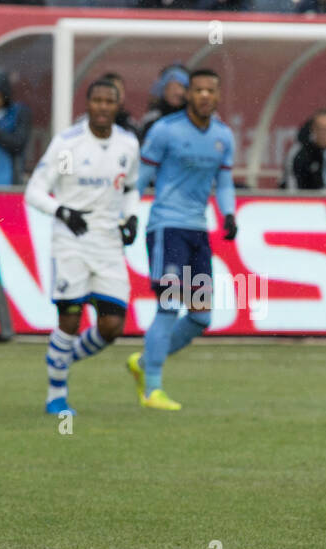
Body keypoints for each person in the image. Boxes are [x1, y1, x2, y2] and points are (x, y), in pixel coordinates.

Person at [25, 79, 140, 415]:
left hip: (108, 240)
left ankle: (61, 358)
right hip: (71, 239)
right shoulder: (69, 145)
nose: (103, 107)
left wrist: (131, 217)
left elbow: (131, 187)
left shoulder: (127, 145)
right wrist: (63, 211)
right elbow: (35, 191)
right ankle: (56, 395)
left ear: (118, 105)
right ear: (87, 105)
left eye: (109, 101)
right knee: (71, 319)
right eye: (97, 100)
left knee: (112, 326)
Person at [128, 68, 236, 412]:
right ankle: (152, 388)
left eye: (211, 91)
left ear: (218, 96)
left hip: (197, 231)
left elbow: (226, 181)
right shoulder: (165, 131)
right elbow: (140, 178)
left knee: (201, 317)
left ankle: (144, 362)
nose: (205, 96)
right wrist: (128, 215)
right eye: (199, 90)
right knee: (169, 305)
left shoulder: (223, 136)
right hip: (166, 228)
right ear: (188, 94)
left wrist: (229, 213)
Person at [139, 65, 188, 142]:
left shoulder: (194, 117)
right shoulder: (152, 119)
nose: (176, 92)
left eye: (180, 86)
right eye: (171, 87)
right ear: (163, 90)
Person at [99, 72, 139, 139]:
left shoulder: (131, 127)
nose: (117, 96)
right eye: (110, 92)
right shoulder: (82, 124)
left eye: (120, 91)